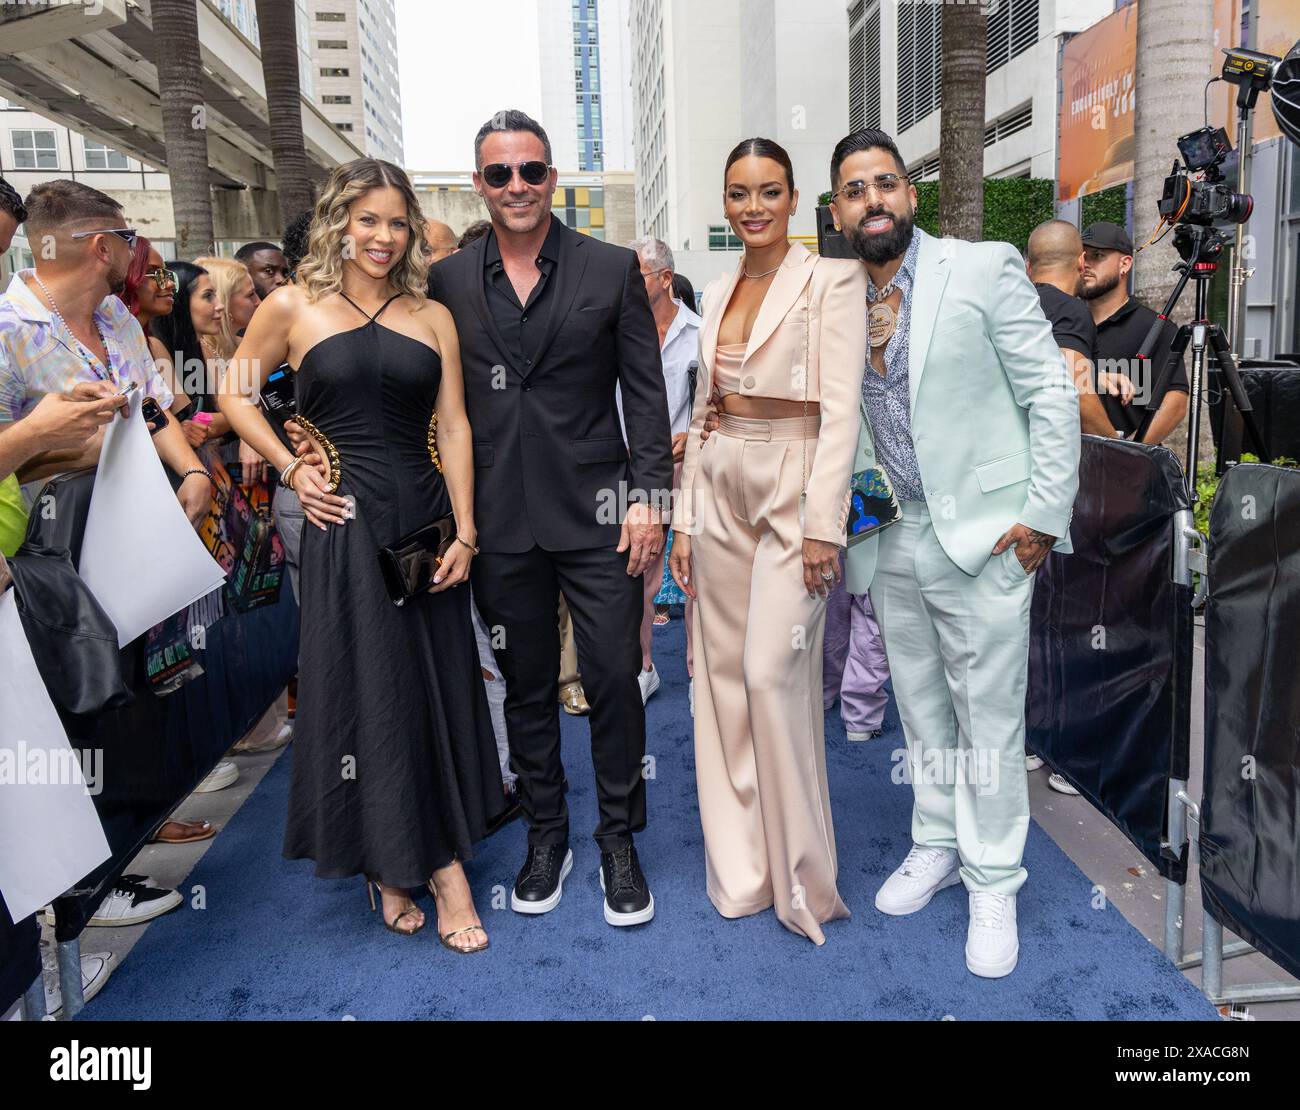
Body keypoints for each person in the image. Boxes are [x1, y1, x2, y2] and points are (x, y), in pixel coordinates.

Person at [218, 157, 504, 951]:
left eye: (397, 221)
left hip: (425, 523)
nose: (382, 236)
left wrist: (468, 531)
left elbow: (454, 428)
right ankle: (404, 862)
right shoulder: (291, 305)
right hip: (342, 521)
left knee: (439, 683)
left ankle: (435, 856)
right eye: (367, 219)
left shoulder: (431, 314)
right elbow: (233, 391)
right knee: (372, 688)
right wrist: (287, 464)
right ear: (339, 220)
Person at [829, 128, 1080, 978]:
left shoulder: (980, 268)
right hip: (891, 532)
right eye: (855, 189)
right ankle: (936, 841)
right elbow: (851, 426)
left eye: (886, 183)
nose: (873, 200)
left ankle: (994, 878)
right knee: (924, 709)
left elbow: (1049, 389)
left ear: (911, 194)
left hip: (987, 536)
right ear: (837, 211)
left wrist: (1043, 516)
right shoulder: (837, 298)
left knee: (990, 718)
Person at [427, 109, 672, 926]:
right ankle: (547, 835)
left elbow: (646, 393)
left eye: (531, 170)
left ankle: (617, 839)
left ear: (553, 178)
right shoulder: (451, 280)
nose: (517, 186)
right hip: (499, 523)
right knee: (525, 689)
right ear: (479, 184)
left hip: (602, 514)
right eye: (499, 174)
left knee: (612, 679)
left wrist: (651, 499)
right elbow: (425, 399)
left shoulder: (610, 268)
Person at [668, 137, 865, 945]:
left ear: (794, 199)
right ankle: (744, 870)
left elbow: (843, 409)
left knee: (769, 672)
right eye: (740, 193)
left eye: (770, 191)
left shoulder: (833, 279)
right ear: (726, 203)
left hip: (795, 484)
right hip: (717, 482)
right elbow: (703, 413)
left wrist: (827, 524)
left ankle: (803, 879)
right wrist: (684, 516)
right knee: (719, 682)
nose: (754, 206)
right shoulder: (715, 291)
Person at [0, 181, 209, 523]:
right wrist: (54, 437)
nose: (133, 251)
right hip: (55, 546)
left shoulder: (115, 312)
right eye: (128, 239)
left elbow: (150, 406)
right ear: (103, 248)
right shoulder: (8, 330)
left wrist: (192, 471)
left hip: (142, 525)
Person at [627, 235, 701, 705]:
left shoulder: (701, 333)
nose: (626, 285)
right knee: (638, 576)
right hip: (635, 474)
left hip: (691, 470)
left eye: (636, 276)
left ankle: (700, 674)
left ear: (665, 278)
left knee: (697, 575)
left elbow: (718, 405)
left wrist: (692, 437)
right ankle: (643, 667)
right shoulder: (616, 331)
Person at [1080, 221, 1190, 444]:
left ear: (1125, 264)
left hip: (1128, 467)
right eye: (1083, 256)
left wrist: (1132, 452)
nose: (1086, 264)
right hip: (1068, 464)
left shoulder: (1154, 328)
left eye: (1098, 255)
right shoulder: (1067, 323)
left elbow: (1176, 402)